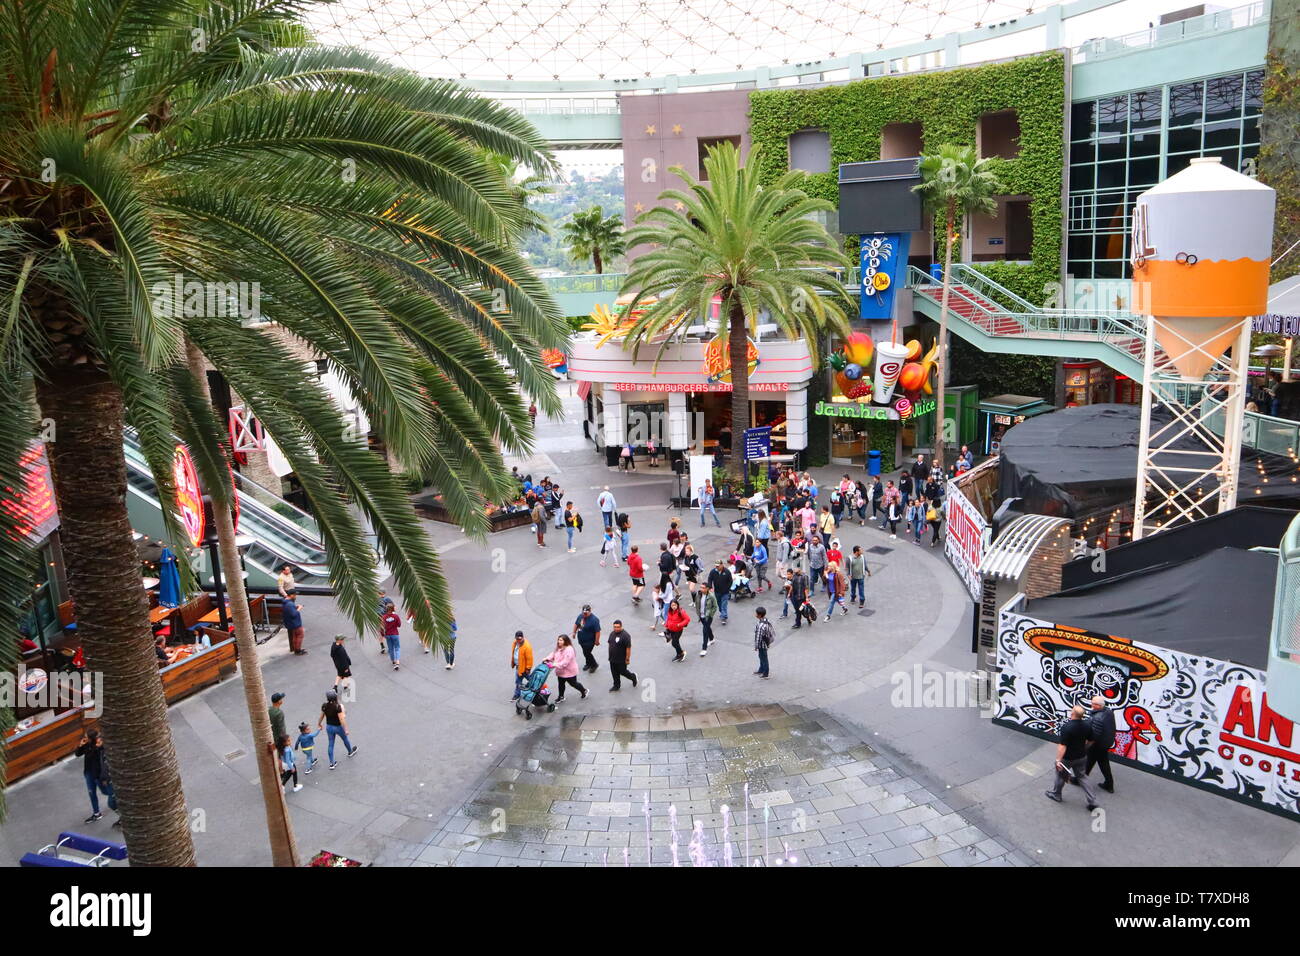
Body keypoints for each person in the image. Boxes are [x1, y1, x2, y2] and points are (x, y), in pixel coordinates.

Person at [1044, 704, 1100, 811]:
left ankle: (1056, 794)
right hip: (1081, 757)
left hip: (1067, 758)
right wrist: (1084, 748)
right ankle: (1092, 800)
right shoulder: (1087, 725)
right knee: (1082, 777)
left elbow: (1062, 746)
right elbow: (1092, 740)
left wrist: (1058, 761)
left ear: (1072, 713)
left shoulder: (1067, 727)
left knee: (1060, 776)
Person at [75, 729, 117, 824]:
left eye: (86, 737)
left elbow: (103, 759)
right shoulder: (86, 745)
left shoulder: (99, 748)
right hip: (88, 773)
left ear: (91, 738)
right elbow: (77, 754)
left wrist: (98, 747)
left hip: (98, 775)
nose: (84, 738)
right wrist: (80, 745)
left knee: (106, 792)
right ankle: (96, 813)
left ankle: (117, 805)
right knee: (91, 793)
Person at [317, 690, 357, 769]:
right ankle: (350, 752)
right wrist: (346, 729)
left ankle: (332, 763)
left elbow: (321, 716)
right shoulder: (337, 706)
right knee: (345, 739)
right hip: (338, 727)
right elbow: (342, 719)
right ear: (335, 697)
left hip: (329, 727)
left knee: (331, 744)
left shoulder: (324, 706)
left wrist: (319, 723)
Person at [1086, 695, 1118, 793]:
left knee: (1092, 761)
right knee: (1100, 762)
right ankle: (1109, 784)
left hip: (1098, 745)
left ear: (1098, 706)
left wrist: (1086, 746)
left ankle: (1080, 779)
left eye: (1093, 704)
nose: (1091, 705)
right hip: (1106, 742)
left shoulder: (1097, 718)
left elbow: (1094, 735)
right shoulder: (1108, 712)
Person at [545, 635, 588, 702]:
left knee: (574, 684)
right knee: (561, 684)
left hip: (569, 672)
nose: (559, 641)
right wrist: (547, 658)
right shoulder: (559, 647)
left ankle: (584, 690)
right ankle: (561, 696)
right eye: (558, 639)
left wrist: (553, 664)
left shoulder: (569, 650)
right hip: (561, 671)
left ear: (565, 641)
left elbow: (564, 663)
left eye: (561, 640)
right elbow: (553, 654)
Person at [607, 620, 637, 691]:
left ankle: (633, 677)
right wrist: (609, 655)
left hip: (621, 659)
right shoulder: (612, 633)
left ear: (621, 626)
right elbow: (610, 644)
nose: (616, 629)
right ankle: (616, 685)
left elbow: (628, 648)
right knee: (614, 672)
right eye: (614, 627)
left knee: (623, 672)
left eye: (618, 627)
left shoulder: (625, 635)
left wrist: (627, 659)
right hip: (612, 658)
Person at [572, 604, 603, 673]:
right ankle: (588, 663)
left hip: (589, 641)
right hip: (581, 639)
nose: (584, 614)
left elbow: (597, 631)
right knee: (585, 652)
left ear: (590, 611)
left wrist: (597, 641)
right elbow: (576, 624)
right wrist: (574, 632)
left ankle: (594, 664)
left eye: (586, 613)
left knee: (587, 653)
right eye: (583, 613)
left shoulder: (594, 620)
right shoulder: (580, 616)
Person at [663, 598, 691, 662]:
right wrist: (666, 625)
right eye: (672, 605)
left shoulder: (681, 611)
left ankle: (681, 653)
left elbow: (687, 619)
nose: (673, 607)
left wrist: (679, 624)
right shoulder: (670, 611)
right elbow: (668, 619)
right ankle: (679, 654)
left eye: (675, 605)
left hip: (678, 630)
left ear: (677, 605)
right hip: (671, 629)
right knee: (676, 642)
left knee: (674, 643)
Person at [707, 559, 732, 624]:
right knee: (719, 603)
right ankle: (722, 613)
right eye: (716, 566)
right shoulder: (713, 571)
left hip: (725, 592)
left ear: (722, 565)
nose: (717, 567)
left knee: (724, 604)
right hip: (717, 591)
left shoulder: (727, 572)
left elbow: (730, 581)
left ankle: (724, 617)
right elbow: (710, 578)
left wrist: (727, 589)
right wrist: (710, 587)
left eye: (718, 566)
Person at [281, 590, 306, 655]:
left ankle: (296, 649)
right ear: (291, 595)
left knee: (295, 636)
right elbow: (294, 614)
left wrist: (295, 607)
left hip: (290, 623)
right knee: (300, 635)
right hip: (295, 623)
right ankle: (298, 650)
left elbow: (290, 611)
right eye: (295, 595)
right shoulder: (290, 604)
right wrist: (299, 608)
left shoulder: (286, 603)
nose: (295, 596)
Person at [511, 631, 533, 702]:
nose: (518, 640)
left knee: (521, 681)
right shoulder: (515, 643)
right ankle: (517, 694)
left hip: (524, 668)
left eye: (520, 639)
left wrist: (528, 668)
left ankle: (517, 694)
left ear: (523, 637)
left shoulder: (527, 646)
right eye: (517, 639)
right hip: (518, 666)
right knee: (519, 681)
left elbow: (530, 659)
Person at [753, 606, 774, 679]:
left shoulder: (760, 626)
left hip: (762, 645)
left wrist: (756, 646)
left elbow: (758, 637)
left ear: (759, 615)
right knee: (761, 657)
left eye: (756, 613)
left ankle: (765, 673)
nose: (755, 614)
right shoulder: (766, 621)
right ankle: (761, 669)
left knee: (763, 658)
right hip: (766, 643)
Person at [381, 600, 402, 670]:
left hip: (387, 634)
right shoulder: (396, 616)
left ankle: (393, 661)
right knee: (397, 647)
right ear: (393, 609)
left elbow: (381, 627)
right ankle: (397, 661)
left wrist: (382, 634)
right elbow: (399, 625)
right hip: (395, 634)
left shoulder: (383, 617)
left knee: (390, 648)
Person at [699, 582, 718, 656]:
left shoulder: (711, 596)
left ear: (707, 588)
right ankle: (712, 639)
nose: (701, 589)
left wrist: (710, 615)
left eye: (703, 588)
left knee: (705, 631)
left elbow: (715, 606)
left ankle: (704, 649)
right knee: (707, 628)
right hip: (701, 616)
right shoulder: (699, 594)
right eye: (701, 587)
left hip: (708, 616)